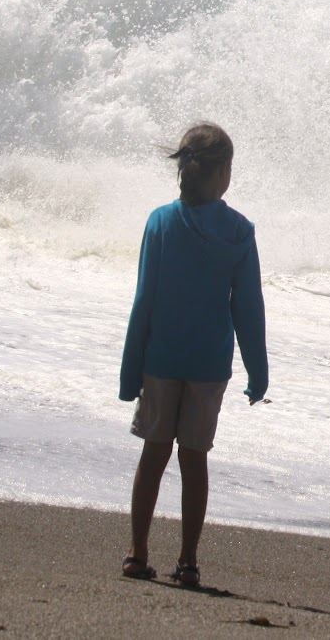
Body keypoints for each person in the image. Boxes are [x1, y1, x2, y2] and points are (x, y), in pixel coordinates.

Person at [118, 122, 269, 587]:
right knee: (194, 459)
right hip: (208, 367)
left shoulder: (160, 222)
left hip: (161, 360)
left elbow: (144, 299)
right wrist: (257, 371)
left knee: (153, 456)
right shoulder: (239, 232)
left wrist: (130, 373)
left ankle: (138, 555)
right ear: (222, 172)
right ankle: (187, 562)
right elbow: (247, 307)